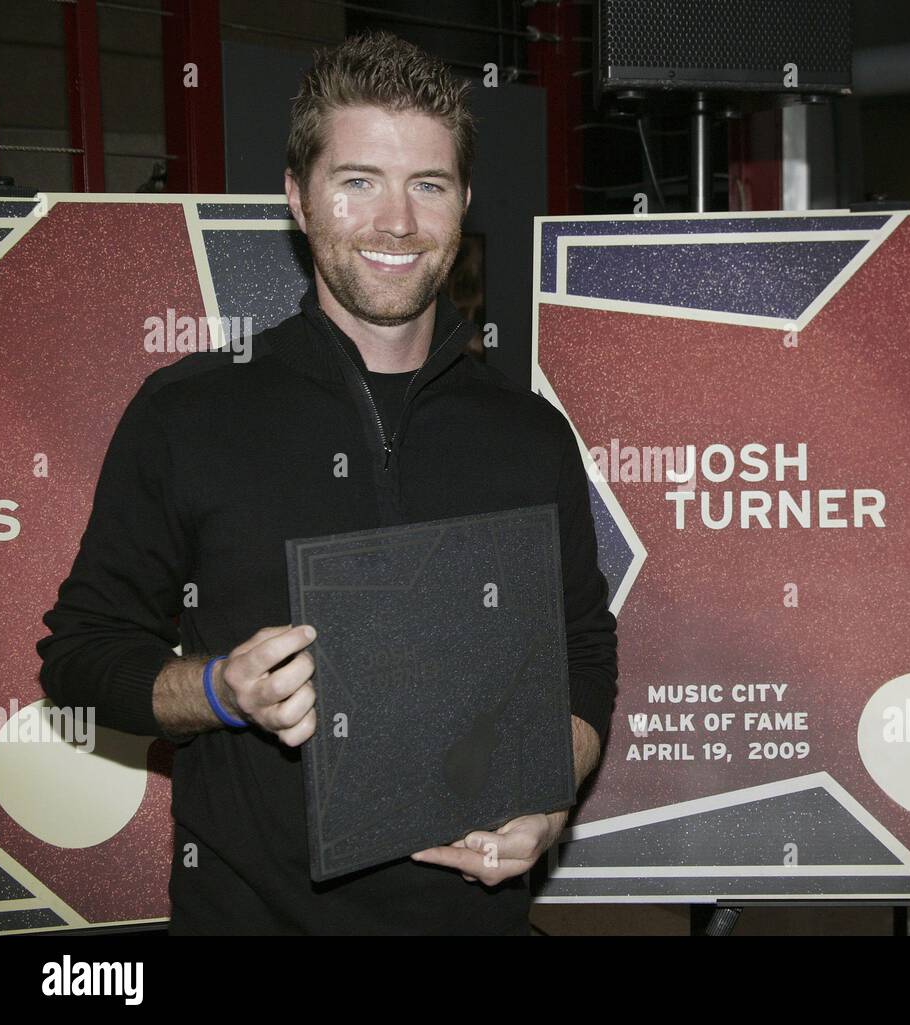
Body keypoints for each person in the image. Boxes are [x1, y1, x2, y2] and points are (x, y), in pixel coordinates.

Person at [36, 30, 618, 935]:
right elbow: (79, 658)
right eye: (357, 182)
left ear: (463, 201)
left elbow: (583, 652)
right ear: (298, 201)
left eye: (427, 185)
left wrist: (548, 802)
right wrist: (222, 690)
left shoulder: (529, 434)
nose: (396, 222)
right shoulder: (188, 414)